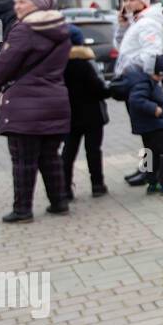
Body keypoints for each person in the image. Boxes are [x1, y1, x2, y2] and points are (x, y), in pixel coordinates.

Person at [0, 0, 71, 223]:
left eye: (22, 2)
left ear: (37, 5)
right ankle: (59, 202)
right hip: (55, 99)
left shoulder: (23, 30)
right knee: (50, 157)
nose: (16, 6)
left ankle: (22, 210)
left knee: (23, 160)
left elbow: (2, 66)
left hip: (26, 104)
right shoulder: (62, 28)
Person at [114, 0, 163, 187]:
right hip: (135, 81)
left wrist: (142, 74)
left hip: (140, 82)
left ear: (143, 1)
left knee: (149, 132)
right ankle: (147, 169)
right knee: (144, 131)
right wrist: (122, 26)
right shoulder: (137, 21)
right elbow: (122, 48)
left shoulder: (148, 23)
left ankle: (152, 172)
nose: (127, 3)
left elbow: (151, 52)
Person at [60, 24, 110, 202]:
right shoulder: (85, 64)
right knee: (93, 151)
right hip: (92, 116)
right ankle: (97, 185)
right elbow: (98, 89)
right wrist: (110, 91)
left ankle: (64, 189)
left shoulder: (57, 66)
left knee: (68, 152)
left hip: (69, 116)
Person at [123, 53, 163, 195]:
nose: (160, 78)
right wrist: (155, 109)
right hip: (155, 124)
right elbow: (137, 100)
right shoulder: (144, 82)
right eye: (158, 75)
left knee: (151, 154)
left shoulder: (147, 80)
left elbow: (150, 96)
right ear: (151, 72)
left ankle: (153, 182)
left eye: (162, 76)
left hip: (148, 125)